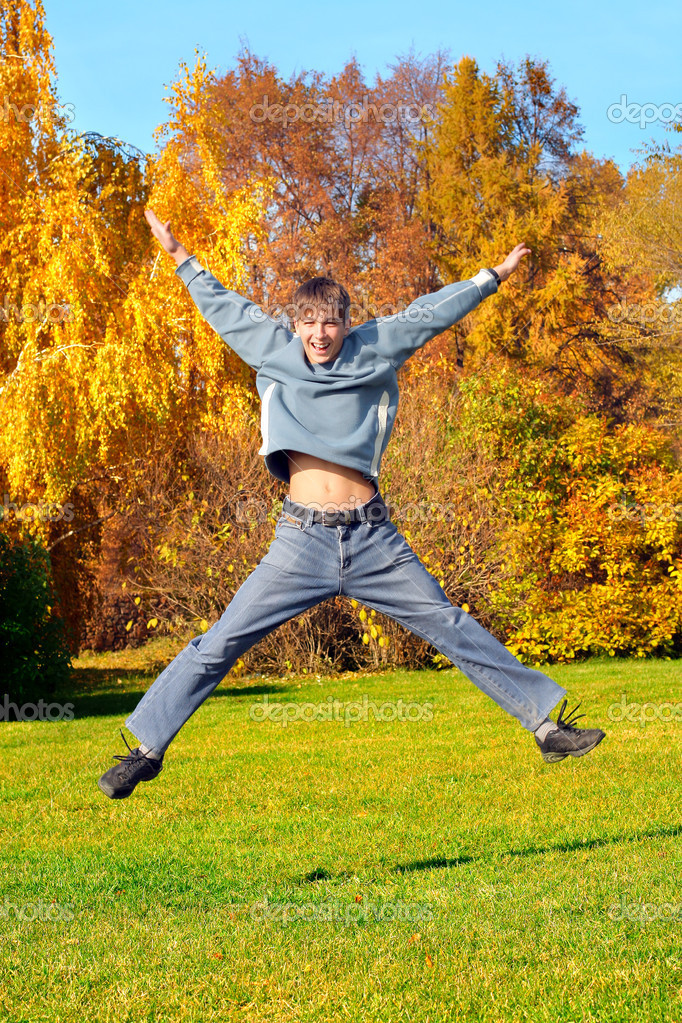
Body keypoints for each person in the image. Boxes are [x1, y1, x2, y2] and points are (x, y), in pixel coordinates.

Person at [97, 210, 605, 799]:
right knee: (222, 640)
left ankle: (544, 726)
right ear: (296, 325)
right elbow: (227, 309)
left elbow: (430, 314)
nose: (320, 333)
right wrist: (182, 255)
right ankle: (145, 750)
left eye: (331, 322)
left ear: (345, 325)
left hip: (373, 541)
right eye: (309, 322)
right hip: (300, 541)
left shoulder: (374, 350)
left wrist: (493, 275)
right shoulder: (274, 353)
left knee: (448, 623)